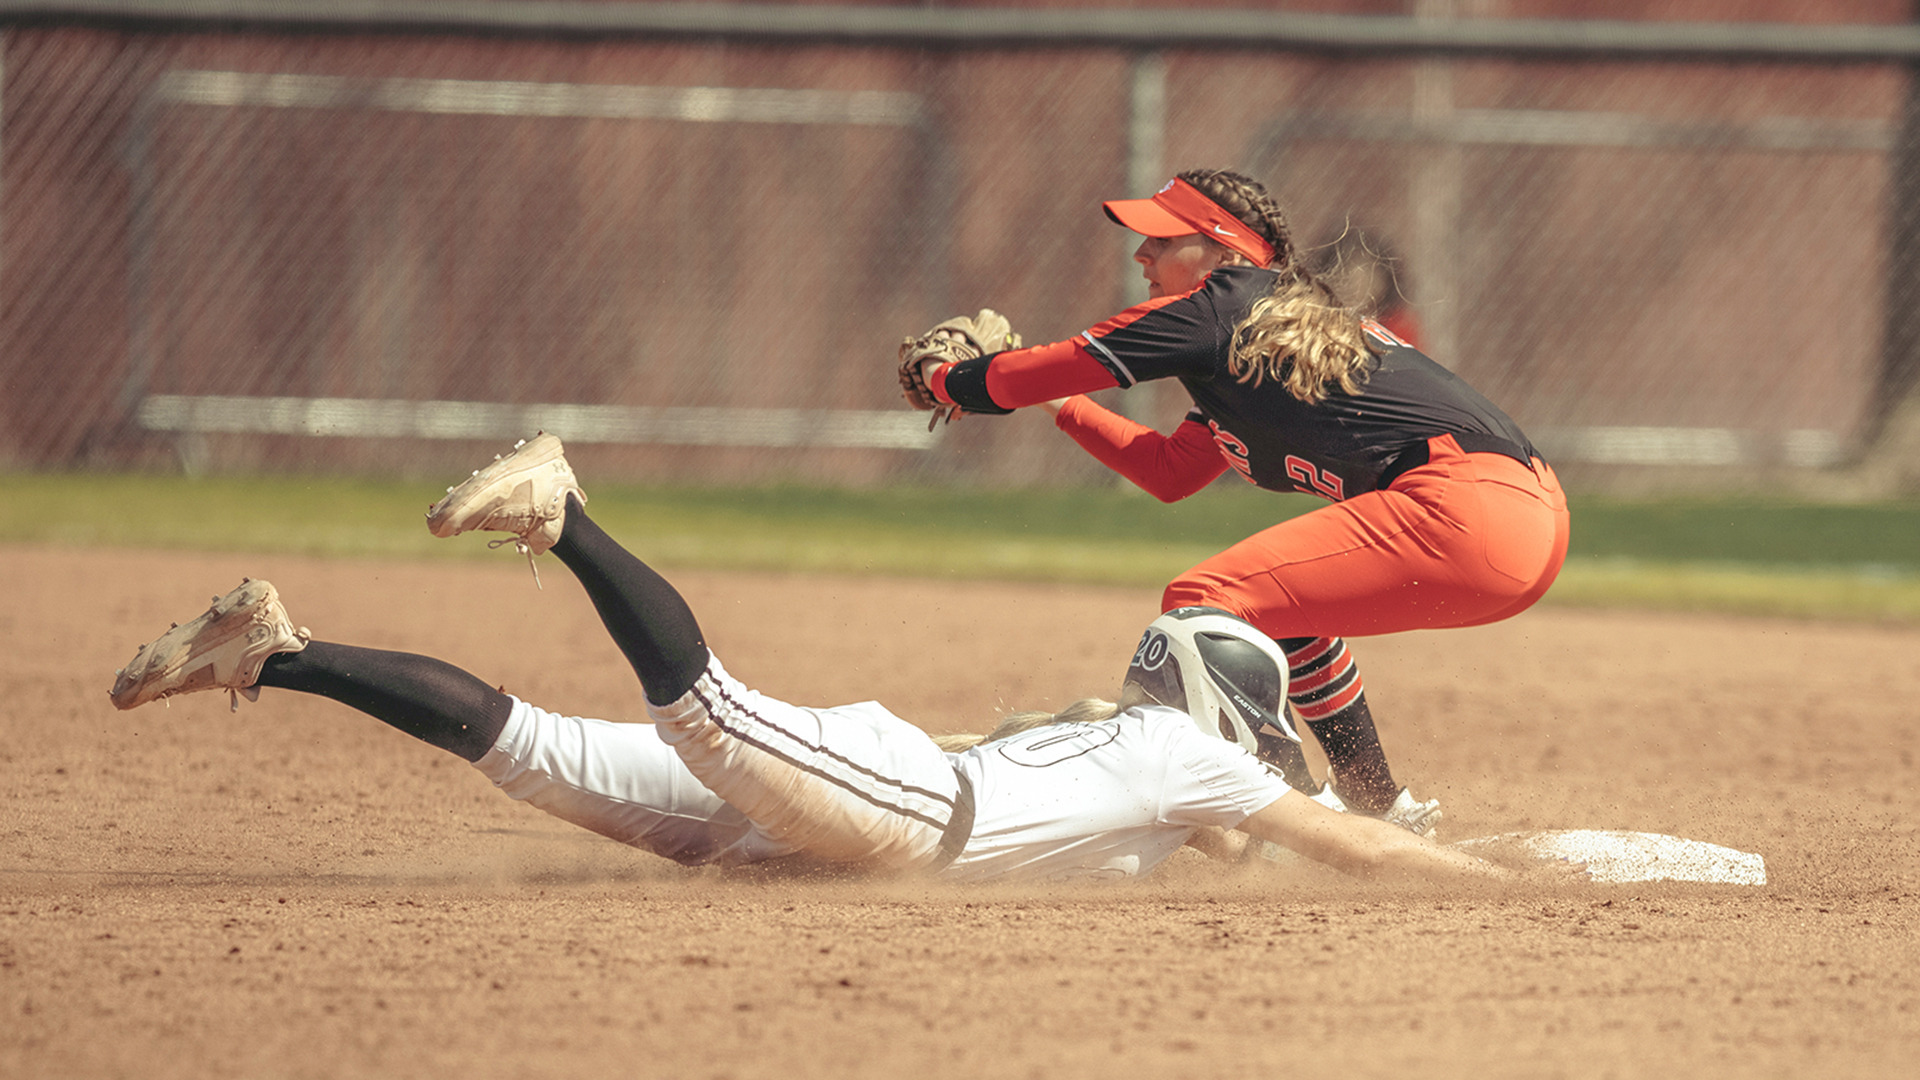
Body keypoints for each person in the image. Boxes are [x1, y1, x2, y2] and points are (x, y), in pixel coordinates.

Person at [107, 434, 1563, 887]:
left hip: (866, 819)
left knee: (534, 751)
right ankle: (569, 517)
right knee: (708, 705)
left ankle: (275, 655)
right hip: (897, 807)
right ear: (1237, 712)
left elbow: (1251, 856)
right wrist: (1500, 889)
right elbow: (1351, 853)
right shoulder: (1188, 766)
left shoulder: (1158, 773)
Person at [899, 168, 1570, 833]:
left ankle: (1292, 817)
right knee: (1278, 606)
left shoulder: (1218, 305)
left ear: (1222, 251)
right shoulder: (1255, 336)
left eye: (1163, 240)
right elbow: (1171, 471)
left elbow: (1044, 366)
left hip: (1465, 506)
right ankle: (1375, 806)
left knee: (1204, 599)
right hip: (1524, 519)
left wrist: (950, 378)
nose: (1143, 255)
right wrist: (1061, 407)